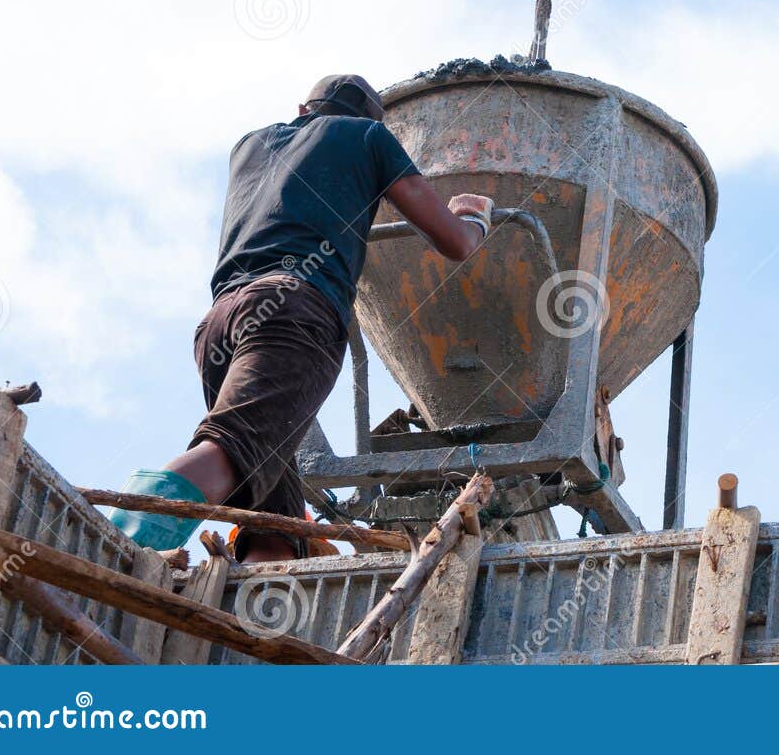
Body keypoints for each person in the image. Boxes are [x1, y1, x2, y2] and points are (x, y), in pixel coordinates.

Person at [108, 74, 491, 562]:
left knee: (270, 512)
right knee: (231, 451)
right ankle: (122, 542)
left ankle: (256, 610)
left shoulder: (248, 146)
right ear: (372, 123)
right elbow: (454, 242)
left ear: (303, 109)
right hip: (294, 313)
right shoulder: (368, 138)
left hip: (219, 324)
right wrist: (474, 218)